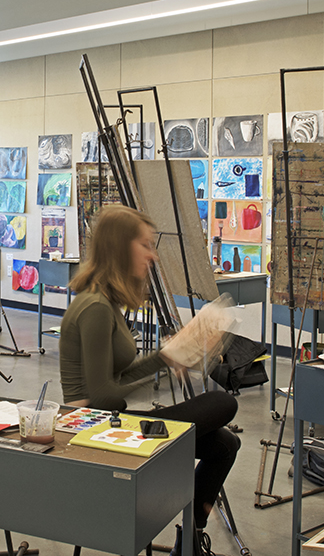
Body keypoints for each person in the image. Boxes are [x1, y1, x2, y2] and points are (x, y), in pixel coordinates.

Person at [59, 205, 239, 552]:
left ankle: (189, 538)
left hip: (111, 423)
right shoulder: (95, 308)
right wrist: (167, 363)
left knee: (224, 445)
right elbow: (103, 397)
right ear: (119, 247)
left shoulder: (105, 302)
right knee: (222, 402)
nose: (152, 255)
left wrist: (167, 357)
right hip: (93, 429)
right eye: (145, 245)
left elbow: (118, 377)